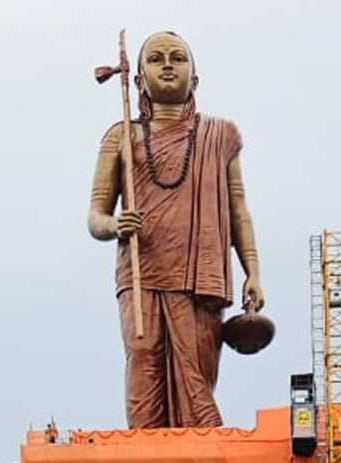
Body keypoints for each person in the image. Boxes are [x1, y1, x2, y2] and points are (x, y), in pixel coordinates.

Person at [88, 31, 263, 429]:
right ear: (138, 80)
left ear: (195, 79)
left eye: (178, 58)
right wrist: (116, 225)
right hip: (142, 272)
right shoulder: (121, 137)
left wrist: (253, 270)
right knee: (143, 358)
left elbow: (238, 210)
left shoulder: (221, 137)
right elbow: (95, 216)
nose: (168, 64)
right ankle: (147, 452)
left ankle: (196, 449)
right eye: (157, 58)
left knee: (196, 372)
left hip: (200, 276)